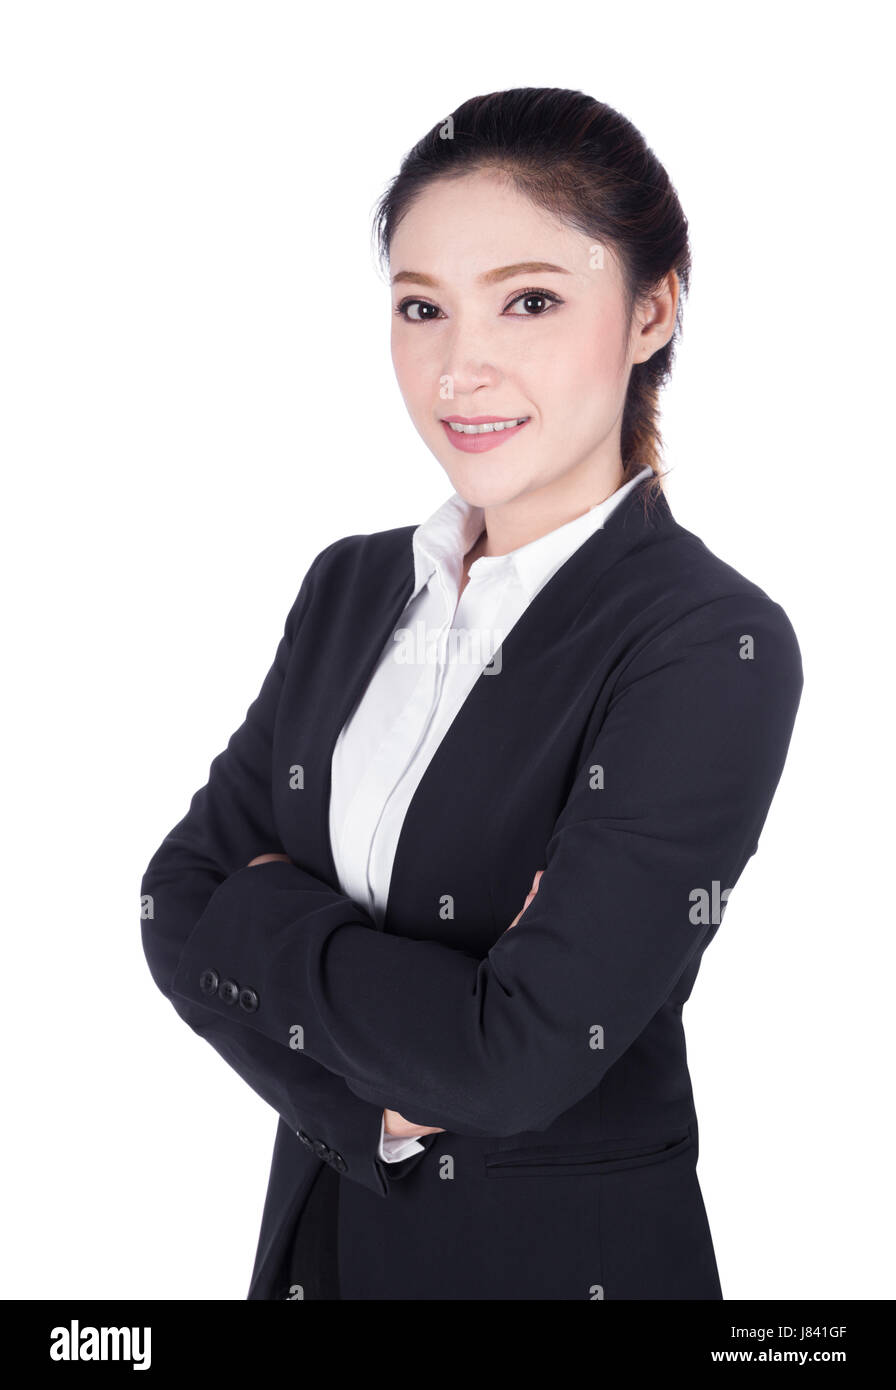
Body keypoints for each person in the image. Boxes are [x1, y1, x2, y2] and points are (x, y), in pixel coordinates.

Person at [140, 87, 803, 1300]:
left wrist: (264, 918)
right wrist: (392, 1082)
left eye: (531, 300)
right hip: (319, 1255)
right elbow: (170, 904)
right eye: (420, 308)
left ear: (650, 309)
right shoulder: (350, 588)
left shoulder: (706, 641)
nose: (460, 365)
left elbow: (515, 1059)